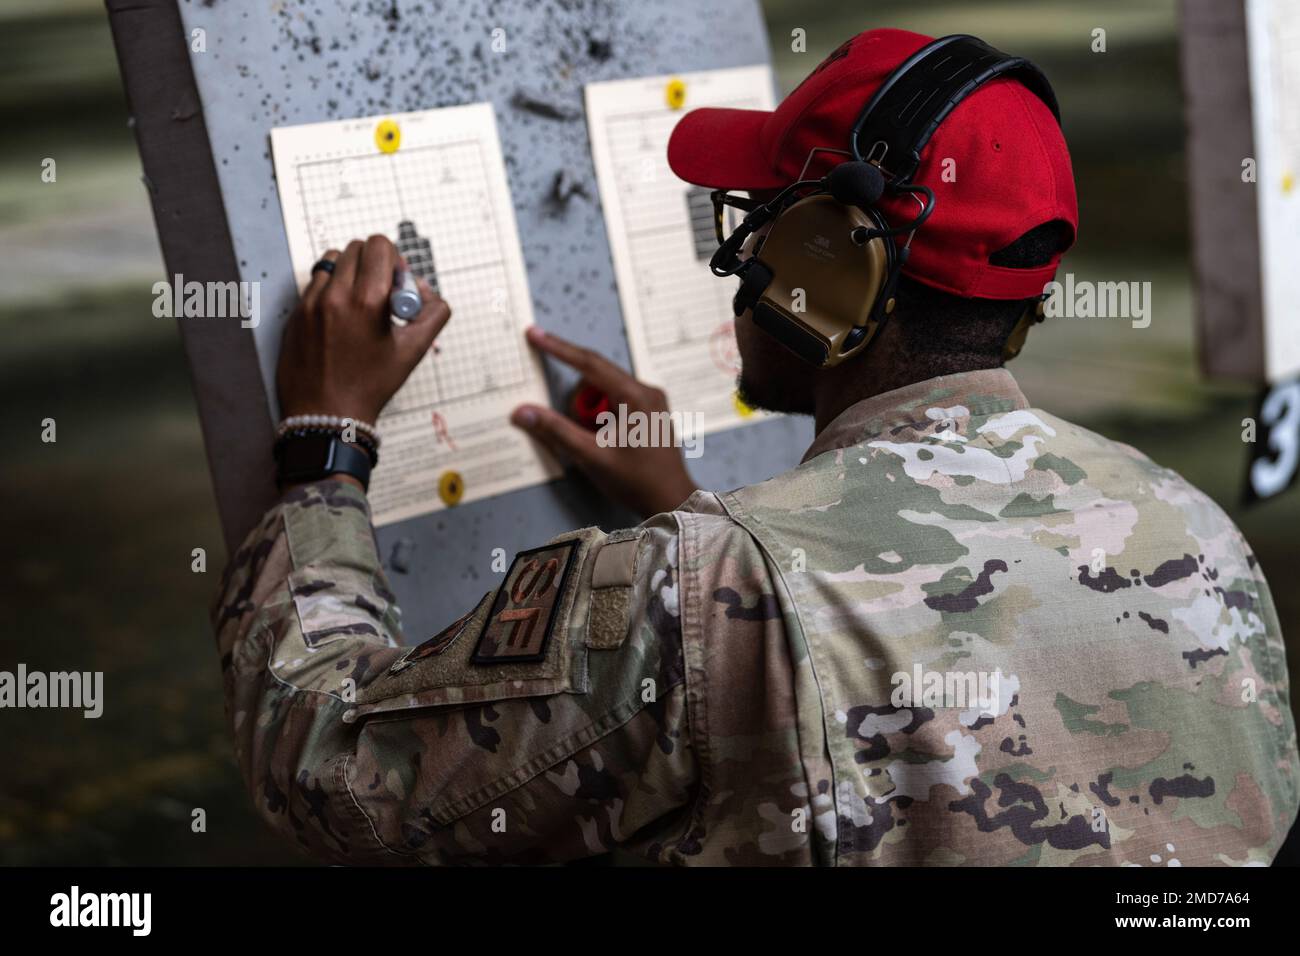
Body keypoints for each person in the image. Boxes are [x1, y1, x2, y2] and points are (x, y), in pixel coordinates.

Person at [212, 28, 1299, 866]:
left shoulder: (696, 588)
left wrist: (325, 442)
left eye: (764, 219)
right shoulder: (1193, 531)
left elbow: (332, 776)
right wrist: (682, 503)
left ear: (827, 262)